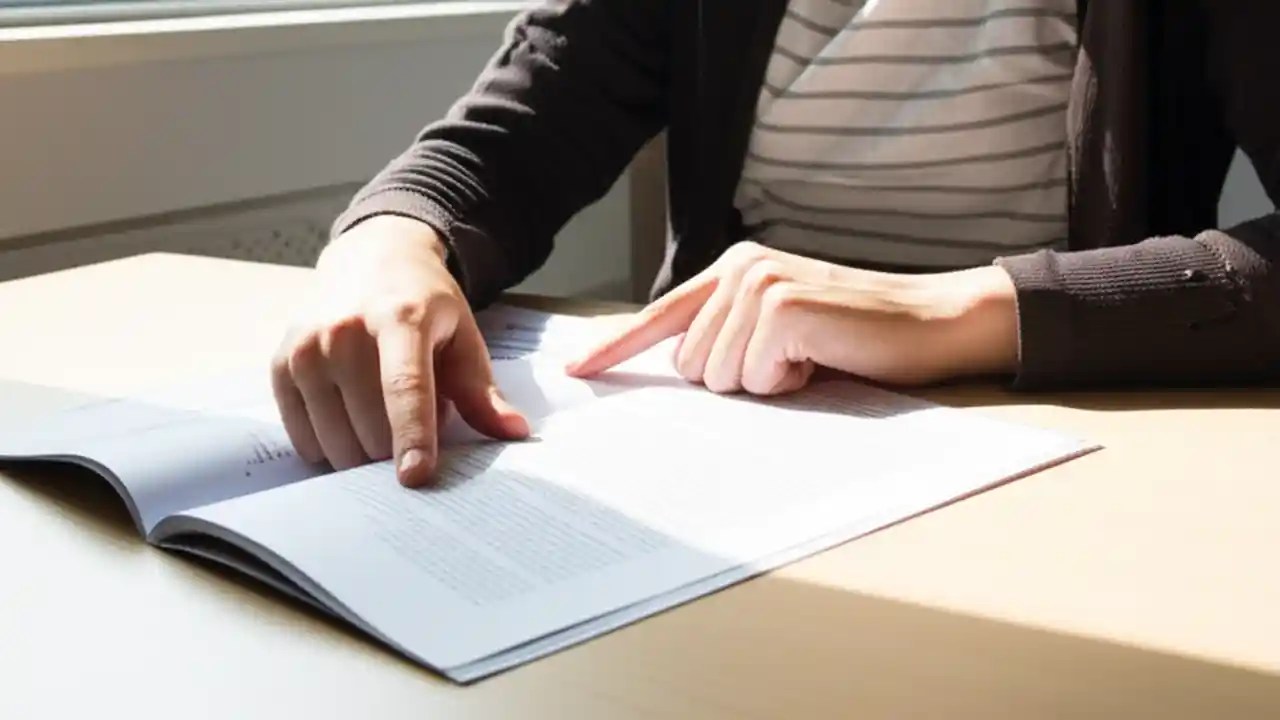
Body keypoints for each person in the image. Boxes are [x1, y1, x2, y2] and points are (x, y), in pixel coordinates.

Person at [271, 1, 1280, 487]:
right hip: (723, 447)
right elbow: (510, 134)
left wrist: (963, 309)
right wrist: (392, 242)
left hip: (1073, 453)